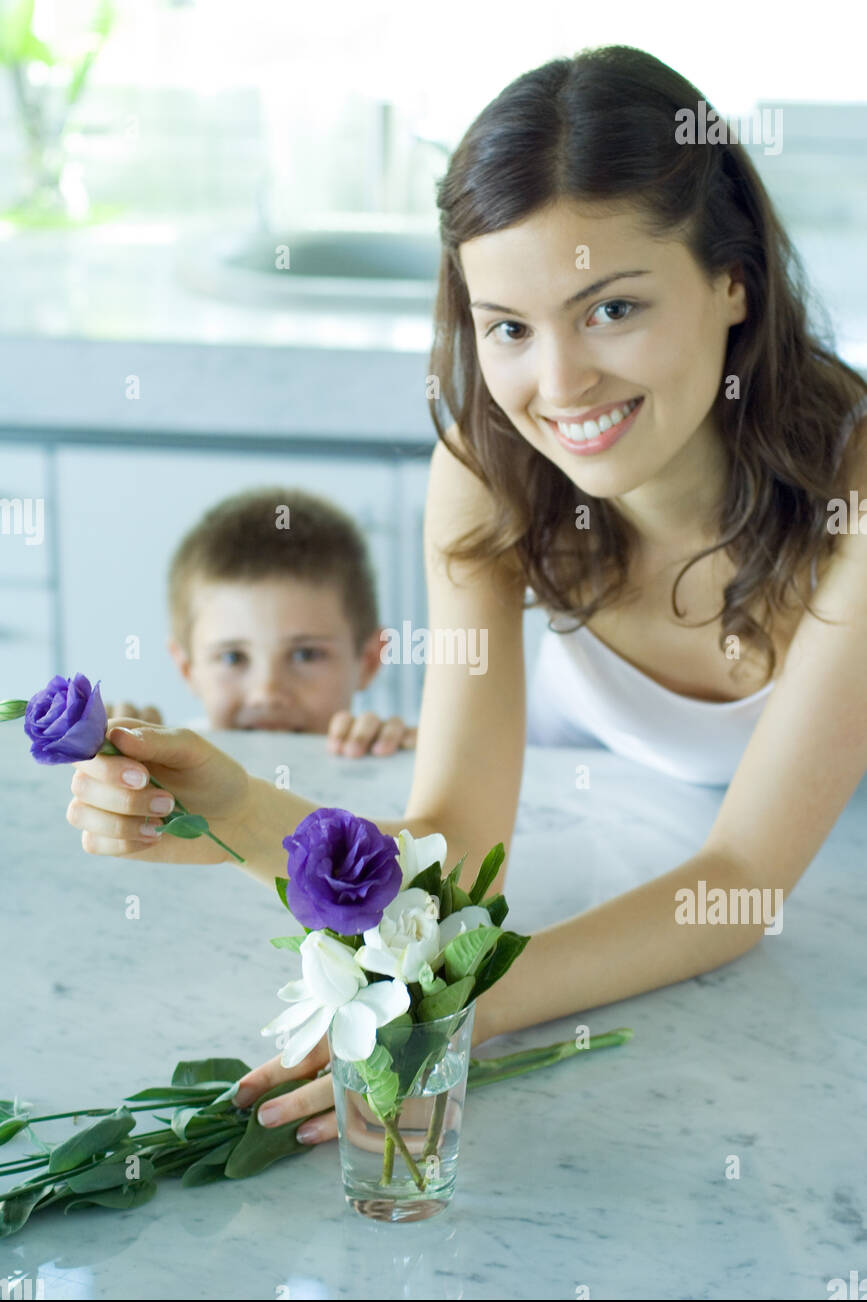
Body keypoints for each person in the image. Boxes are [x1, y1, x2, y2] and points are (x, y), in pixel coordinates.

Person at [67, 45, 867, 1149]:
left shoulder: (854, 496)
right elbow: (454, 843)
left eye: (613, 308)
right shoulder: (491, 466)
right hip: (633, 863)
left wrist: (445, 1012)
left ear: (735, 280)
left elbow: (741, 882)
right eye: (509, 327)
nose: (560, 384)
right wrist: (234, 807)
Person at [103, 487, 417, 759]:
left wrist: (400, 762)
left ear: (369, 661)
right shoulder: (163, 768)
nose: (267, 692)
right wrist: (115, 752)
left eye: (305, 654)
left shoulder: (380, 755)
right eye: (232, 658)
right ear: (187, 667)